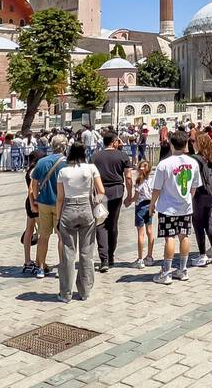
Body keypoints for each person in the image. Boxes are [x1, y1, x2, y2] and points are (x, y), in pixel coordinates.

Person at [55, 141, 104, 304]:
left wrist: (57, 217)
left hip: (68, 208)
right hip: (86, 208)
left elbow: (60, 198)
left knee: (68, 253)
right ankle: (84, 290)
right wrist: (96, 203)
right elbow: (101, 191)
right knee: (86, 253)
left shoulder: (63, 171)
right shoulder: (91, 168)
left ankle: (66, 293)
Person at [149, 130, 201, 284]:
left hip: (167, 207)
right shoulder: (193, 163)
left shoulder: (164, 164)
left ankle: (166, 272)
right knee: (184, 236)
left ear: (171, 144)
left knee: (169, 238)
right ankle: (183, 269)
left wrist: (152, 204)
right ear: (186, 144)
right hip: (185, 206)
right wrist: (189, 198)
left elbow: (156, 188)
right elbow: (194, 186)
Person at [91, 128, 134, 272]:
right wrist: (129, 194)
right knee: (113, 224)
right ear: (114, 142)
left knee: (100, 224)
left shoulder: (95, 156)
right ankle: (111, 256)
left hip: (100, 192)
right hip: (116, 191)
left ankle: (103, 259)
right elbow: (128, 177)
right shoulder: (122, 156)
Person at [28, 134, 67, 279]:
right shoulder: (67, 162)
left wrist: (36, 199)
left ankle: (40, 268)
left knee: (43, 236)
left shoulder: (42, 162)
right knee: (61, 237)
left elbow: (34, 184)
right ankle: (62, 267)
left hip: (43, 203)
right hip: (60, 203)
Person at [191, 132, 212, 266]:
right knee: (208, 221)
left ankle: (202, 255)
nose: (192, 143)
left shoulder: (195, 158)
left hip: (200, 194)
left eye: (194, 141)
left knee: (198, 223)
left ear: (199, 143)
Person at [133, 159, 156, 267]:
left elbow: (136, 197)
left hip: (141, 206)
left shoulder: (139, 181)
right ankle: (150, 256)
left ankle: (140, 259)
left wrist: (129, 200)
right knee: (150, 231)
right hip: (149, 205)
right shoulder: (152, 180)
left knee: (140, 233)